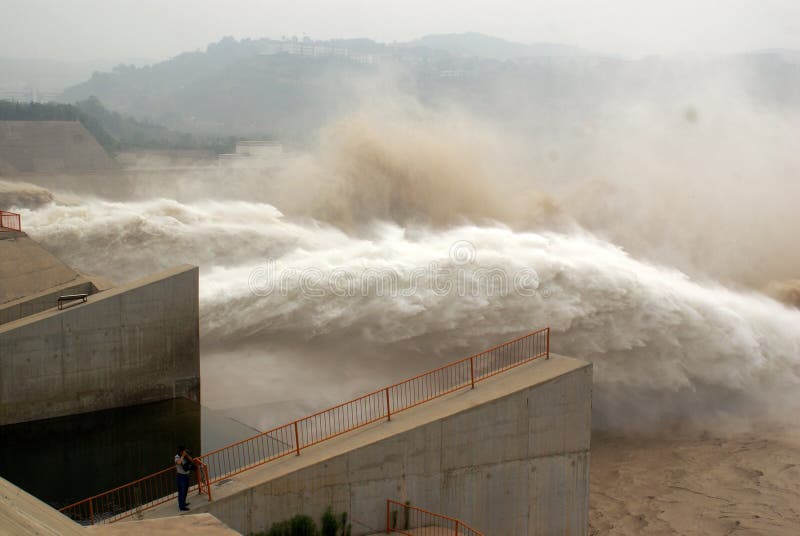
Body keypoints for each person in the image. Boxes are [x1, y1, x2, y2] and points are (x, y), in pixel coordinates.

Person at [174, 445, 192, 511]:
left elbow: (191, 460)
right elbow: (178, 462)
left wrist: (186, 455)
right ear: (181, 452)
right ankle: (181, 506)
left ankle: (184, 503)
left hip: (186, 475)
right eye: (184, 451)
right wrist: (183, 456)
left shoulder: (185, 456)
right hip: (181, 476)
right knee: (181, 491)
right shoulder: (177, 457)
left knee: (185, 490)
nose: (185, 451)